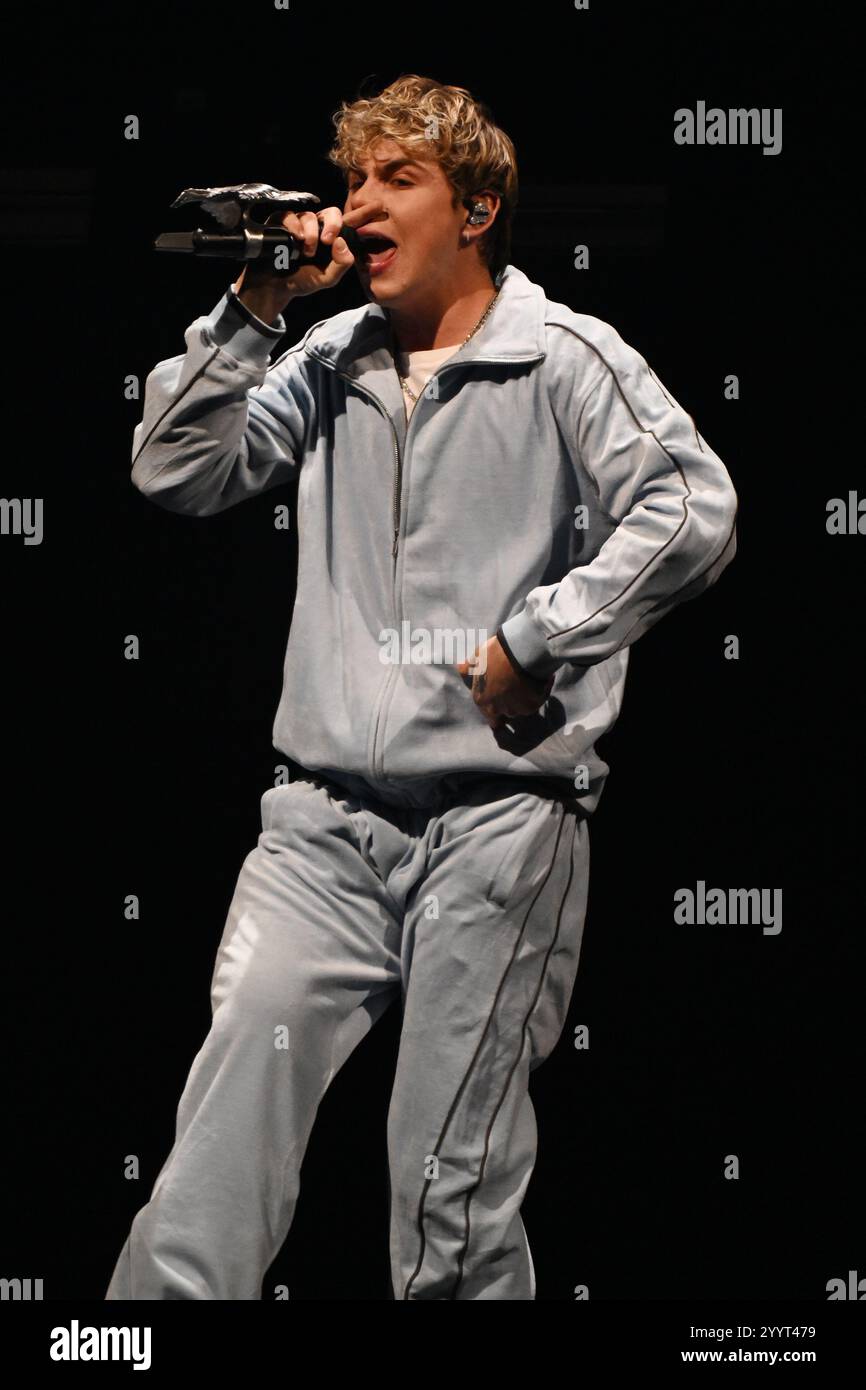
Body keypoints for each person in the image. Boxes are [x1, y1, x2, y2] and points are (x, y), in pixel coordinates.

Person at [104, 73, 738, 1301]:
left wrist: (539, 637)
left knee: (446, 1185)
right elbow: (173, 469)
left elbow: (693, 510)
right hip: (320, 831)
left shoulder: (559, 356)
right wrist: (257, 301)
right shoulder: (328, 355)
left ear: (478, 209)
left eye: (398, 180)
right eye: (353, 182)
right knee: (215, 1155)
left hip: (497, 827)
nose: (360, 203)